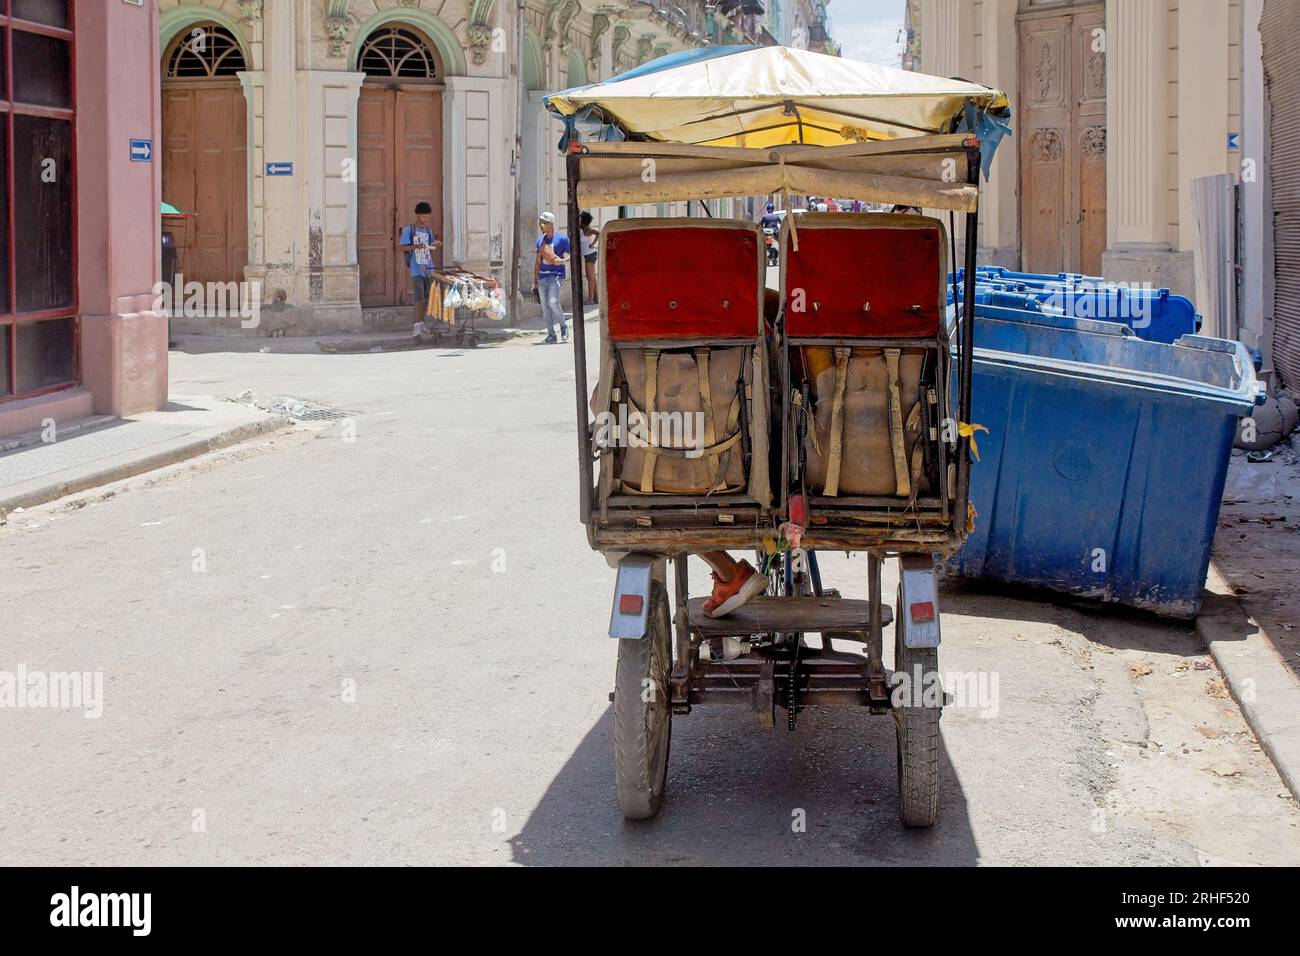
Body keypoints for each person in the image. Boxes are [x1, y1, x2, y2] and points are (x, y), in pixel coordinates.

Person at [398, 202, 441, 329]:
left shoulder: (428, 231)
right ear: (417, 215)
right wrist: (415, 246)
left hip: (428, 267)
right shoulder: (409, 230)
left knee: (427, 298)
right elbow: (400, 248)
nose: (426, 219)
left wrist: (435, 244)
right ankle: (417, 324)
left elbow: (430, 246)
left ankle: (421, 323)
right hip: (416, 268)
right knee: (419, 298)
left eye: (427, 217)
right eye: (423, 217)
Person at [533, 211, 571, 344]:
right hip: (542, 277)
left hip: (556, 275)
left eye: (544, 222)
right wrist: (535, 281)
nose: (541, 225)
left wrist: (561, 260)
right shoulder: (540, 241)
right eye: (540, 222)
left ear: (551, 224)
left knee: (553, 301)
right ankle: (551, 334)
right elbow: (538, 261)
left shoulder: (562, 239)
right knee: (545, 306)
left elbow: (572, 254)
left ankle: (564, 327)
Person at [579, 211, 599, 305]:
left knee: (590, 277)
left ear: (583, 222)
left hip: (590, 255)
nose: (579, 222)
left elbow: (598, 233)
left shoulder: (588, 230)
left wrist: (593, 244)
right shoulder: (582, 229)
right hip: (589, 255)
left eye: (580, 220)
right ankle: (596, 297)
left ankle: (590, 299)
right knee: (592, 277)